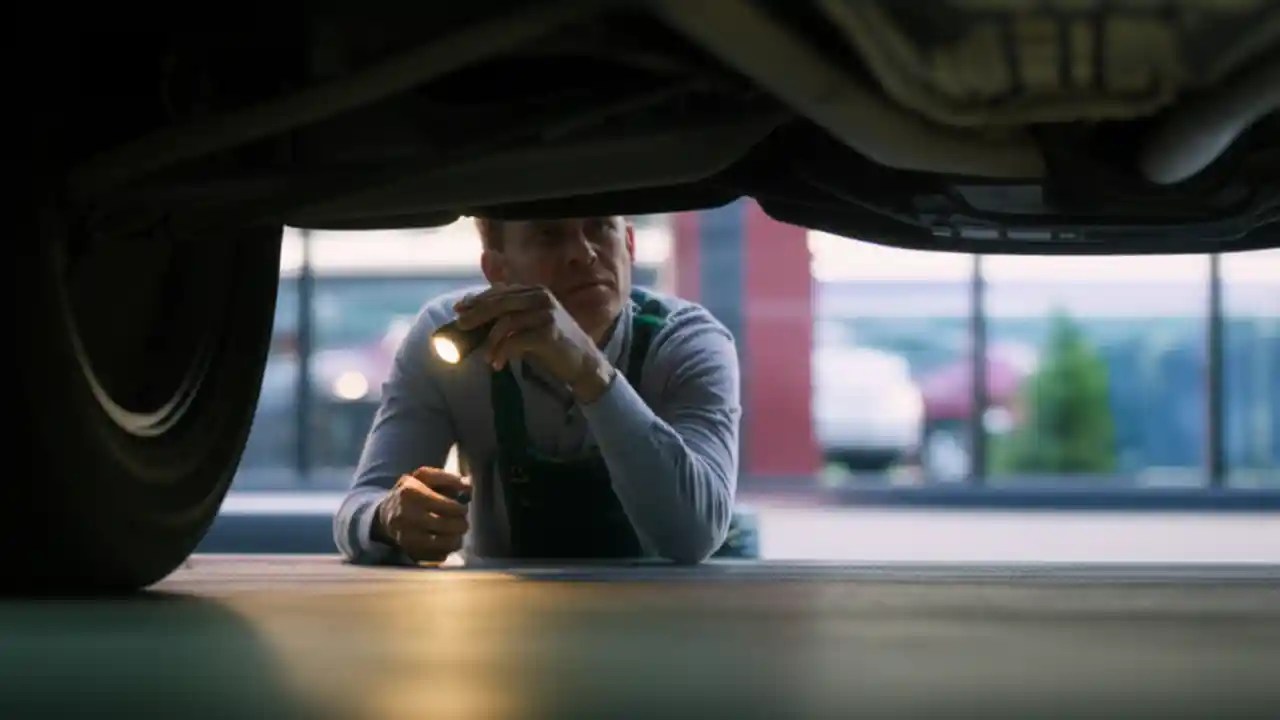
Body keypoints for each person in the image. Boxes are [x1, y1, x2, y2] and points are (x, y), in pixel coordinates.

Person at [333, 215, 742, 565]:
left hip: (666, 625)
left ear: (630, 243)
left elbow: (696, 534)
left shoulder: (686, 342)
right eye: (549, 235)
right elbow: (360, 504)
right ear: (496, 271)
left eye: (600, 227)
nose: (582, 253)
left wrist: (587, 369)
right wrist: (388, 520)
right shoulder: (452, 338)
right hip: (500, 626)